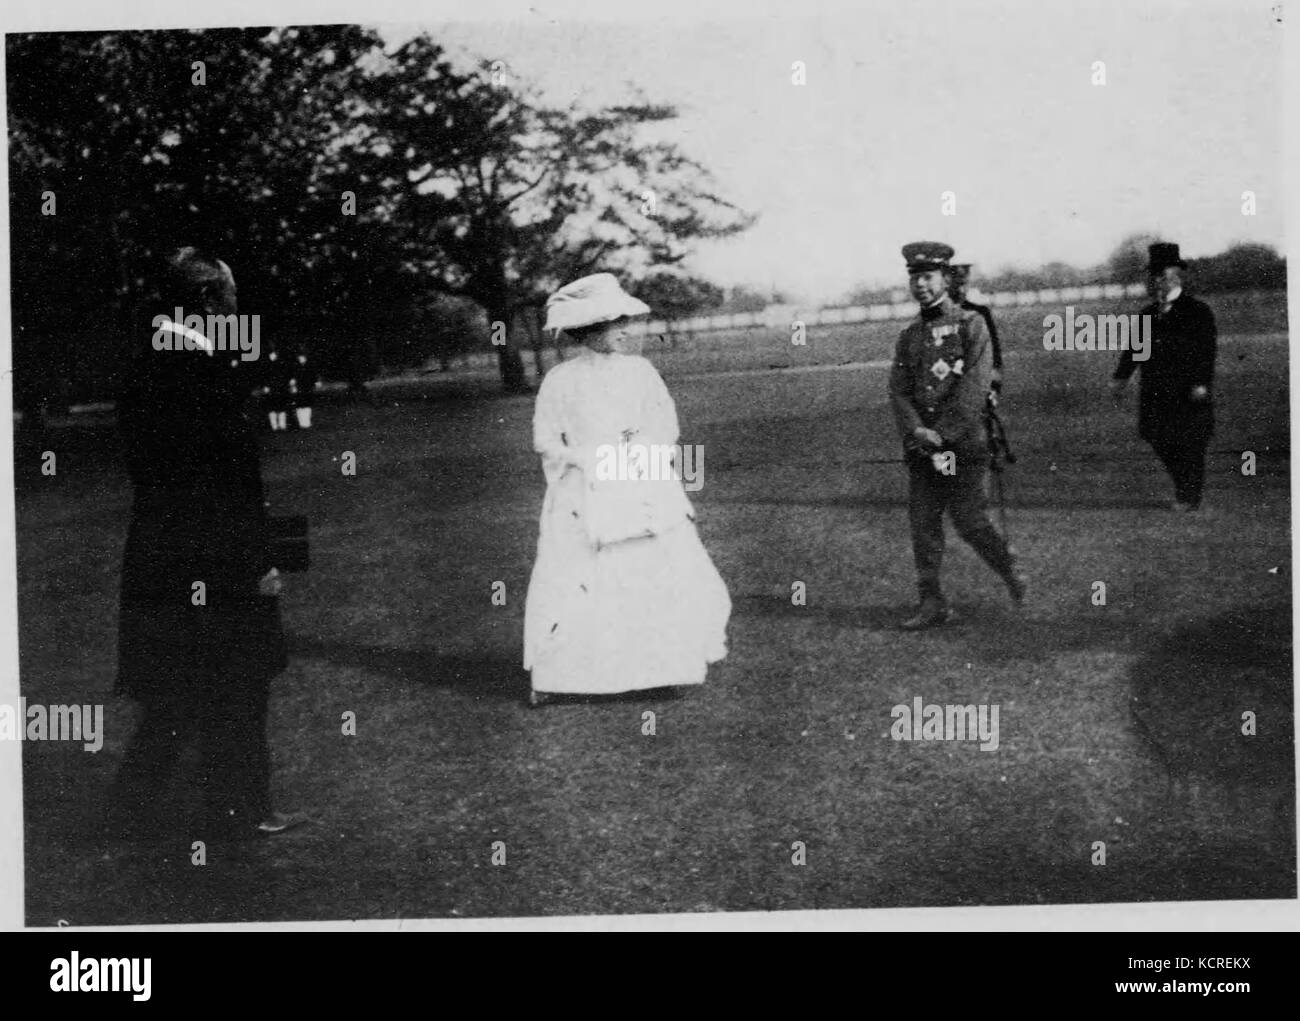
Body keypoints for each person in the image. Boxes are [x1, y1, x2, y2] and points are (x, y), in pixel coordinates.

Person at [109, 247, 303, 841]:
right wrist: (261, 560)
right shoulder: (202, 371)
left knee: (180, 688)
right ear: (206, 304)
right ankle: (241, 808)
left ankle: (137, 811)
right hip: (212, 552)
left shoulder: (148, 363)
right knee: (237, 681)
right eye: (231, 300)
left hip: (164, 552)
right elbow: (228, 481)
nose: (236, 311)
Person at [523, 273, 730, 703]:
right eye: (614, 322)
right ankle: (566, 678)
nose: (625, 331)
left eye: (625, 322)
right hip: (586, 494)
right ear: (589, 328)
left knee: (651, 573)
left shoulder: (641, 372)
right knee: (582, 580)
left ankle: (658, 669)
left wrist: (639, 452)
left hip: (642, 486)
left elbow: (665, 426)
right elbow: (546, 442)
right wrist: (591, 460)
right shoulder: (560, 380)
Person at [888, 242, 1027, 630]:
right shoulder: (909, 335)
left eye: (928, 277)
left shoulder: (971, 324)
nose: (920, 285)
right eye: (914, 278)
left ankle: (1008, 566)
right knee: (923, 526)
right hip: (922, 447)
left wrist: (942, 433)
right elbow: (898, 389)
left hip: (963, 445)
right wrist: (916, 430)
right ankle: (932, 603)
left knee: (969, 521)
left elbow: (975, 385)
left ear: (945, 280)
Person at [1111, 242, 1217, 511]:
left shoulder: (1197, 311)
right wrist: (1121, 378)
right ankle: (1185, 488)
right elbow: (1135, 349)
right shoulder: (1147, 314)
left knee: (1190, 442)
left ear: (1177, 276)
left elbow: (1207, 350)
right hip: (1156, 391)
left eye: (1164, 275)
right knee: (1154, 435)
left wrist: (1201, 383)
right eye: (1155, 276)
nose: (1158, 281)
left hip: (1187, 390)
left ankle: (1188, 496)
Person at [948, 263, 1003, 393]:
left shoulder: (981, 312)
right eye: (954, 272)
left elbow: (994, 352)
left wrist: (994, 385)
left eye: (966, 272)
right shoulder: (934, 315)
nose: (961, 289)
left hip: (975, 384)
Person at [291, 347, 319, 429]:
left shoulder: (310, 365)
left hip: (308, 387)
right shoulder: (295, 366)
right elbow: (293, 377)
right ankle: (301, 423)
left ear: (305, 357)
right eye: (299, 357)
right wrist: (293, 385)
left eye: (302, 357)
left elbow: (314, 375)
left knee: (307, 405)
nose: (301, 359)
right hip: (298, 388)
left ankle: (307, 422)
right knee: (299, 406)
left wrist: (316, 383)